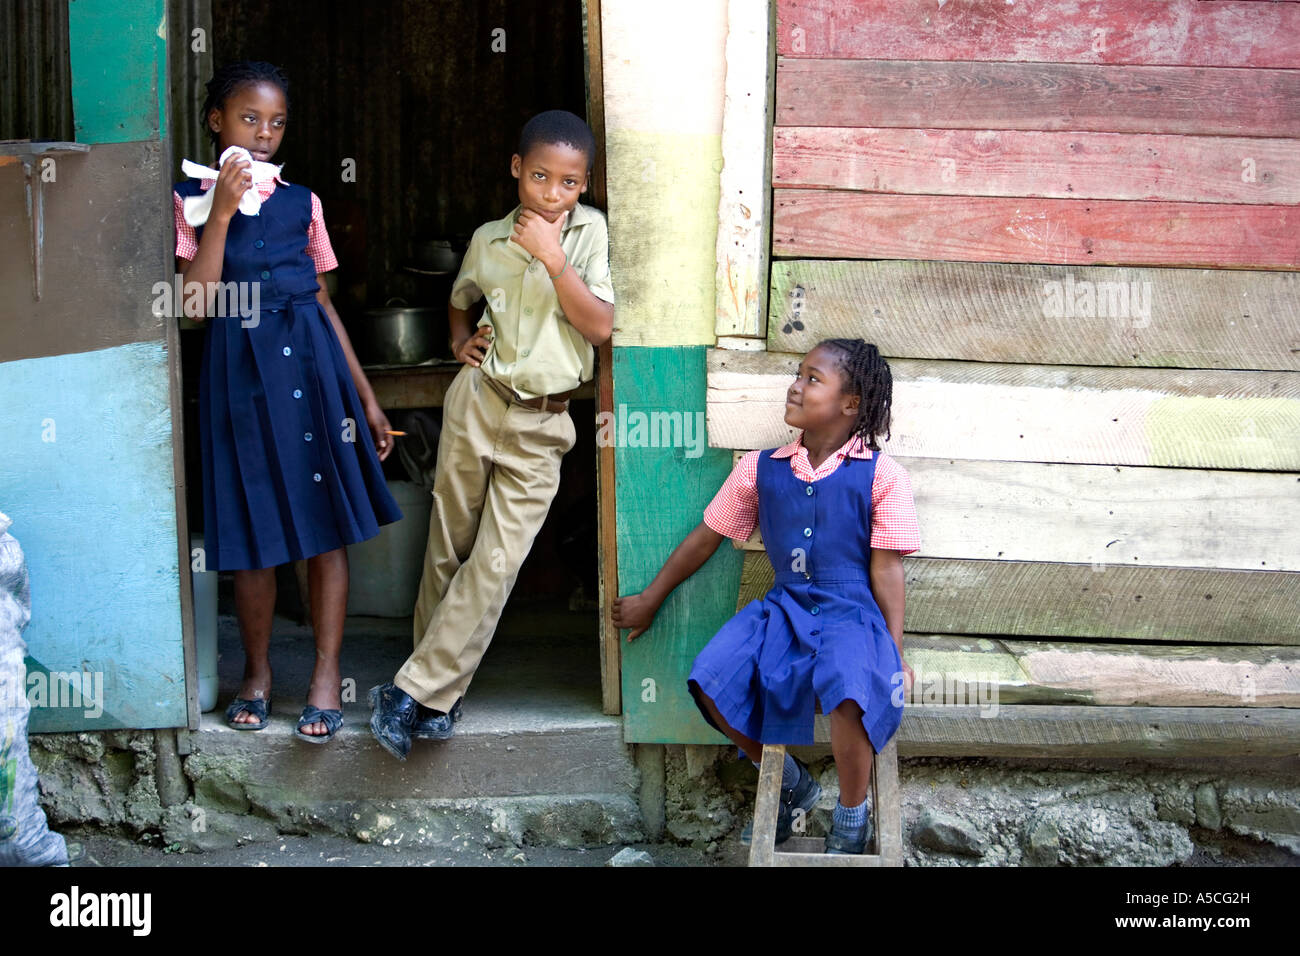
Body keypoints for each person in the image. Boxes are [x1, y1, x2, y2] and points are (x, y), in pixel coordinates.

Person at [369, 110, 614, 760]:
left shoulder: (590, 234)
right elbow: (460, 298)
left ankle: (411, 690)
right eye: (540, 177)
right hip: (478, 402)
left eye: (569, 182)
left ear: (585, 183)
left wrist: (554, 258)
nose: (553, 193)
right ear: (516, 169)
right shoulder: (487, 239)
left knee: (497, 560)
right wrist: (459, 342)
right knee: (446, 546)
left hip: (544, 422)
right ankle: (436, 699)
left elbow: (599, 327)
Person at [613, 339, 919, 853]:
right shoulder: (760, 468)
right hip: (784, 608)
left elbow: (886, 570)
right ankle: (791, 782)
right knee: (711, 679)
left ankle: (851, 813)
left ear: (851, 403)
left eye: (813, 379)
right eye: (797, 374)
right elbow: (707, 536)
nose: (795, 386)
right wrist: (653, 597)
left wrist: (894, 651)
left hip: (851, 613)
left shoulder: (881, 475)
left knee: (850, 687)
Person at [173, 61, 401, 744]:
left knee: (323, 527)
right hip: (237, 375)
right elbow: (194, 306)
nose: (264, 134)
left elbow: (323, 303)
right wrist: (220, 212)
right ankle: (257, 673)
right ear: (216, 121)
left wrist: (367, 399)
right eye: (249, 119)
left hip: (310, 370)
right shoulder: (188, 200)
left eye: (276, 122)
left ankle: (327, 676)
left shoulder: (304, 202)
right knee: (252, 534)